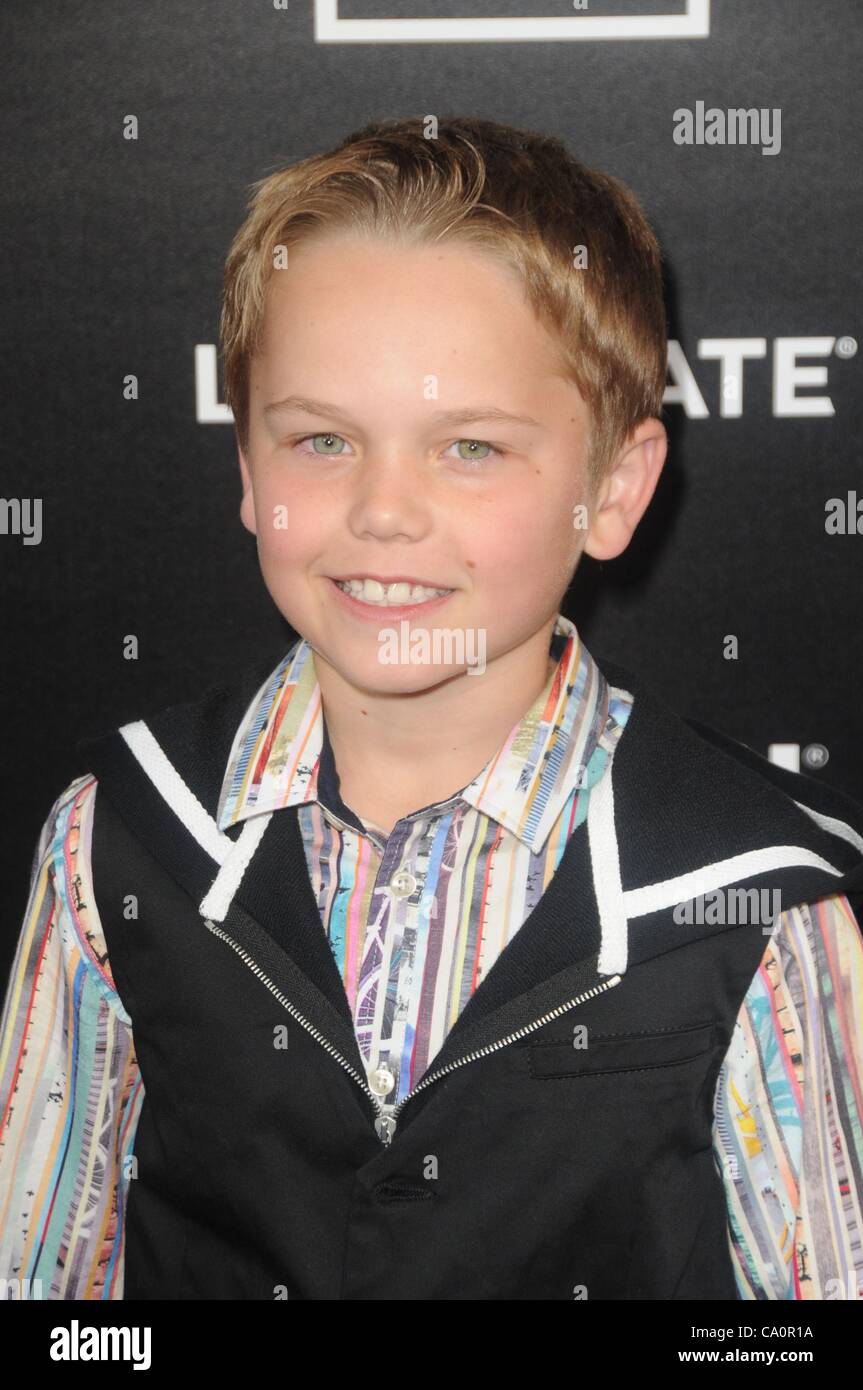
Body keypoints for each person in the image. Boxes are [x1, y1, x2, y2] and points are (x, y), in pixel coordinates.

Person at [2, 114, 862, 1301]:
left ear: (612, 489)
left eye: (467, 447)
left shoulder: (761, 896)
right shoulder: (116, 840)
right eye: (319, 439)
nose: (383, 510)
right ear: (248, 472)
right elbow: (50, 1297)